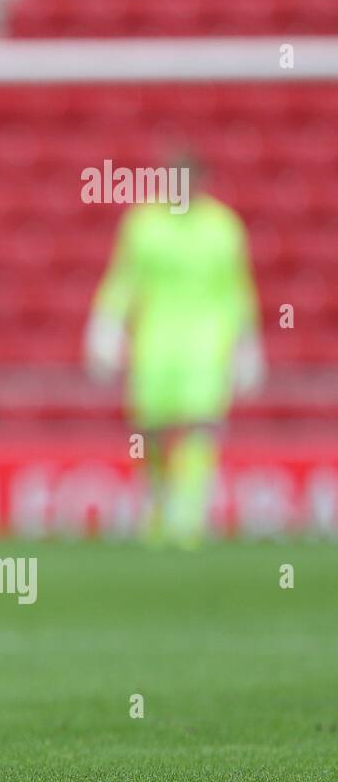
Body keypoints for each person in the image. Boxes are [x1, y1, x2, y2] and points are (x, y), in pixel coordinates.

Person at [85, 157, 263, 548]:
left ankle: (189, 516)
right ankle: (156, 504)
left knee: (201, 425)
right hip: (155, 341)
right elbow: (123, 279)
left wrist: (248, 342)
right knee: (151, 430)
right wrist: (106, 324)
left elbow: (237, 289)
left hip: (207, 343)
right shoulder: (143, 223)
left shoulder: (223, 227)